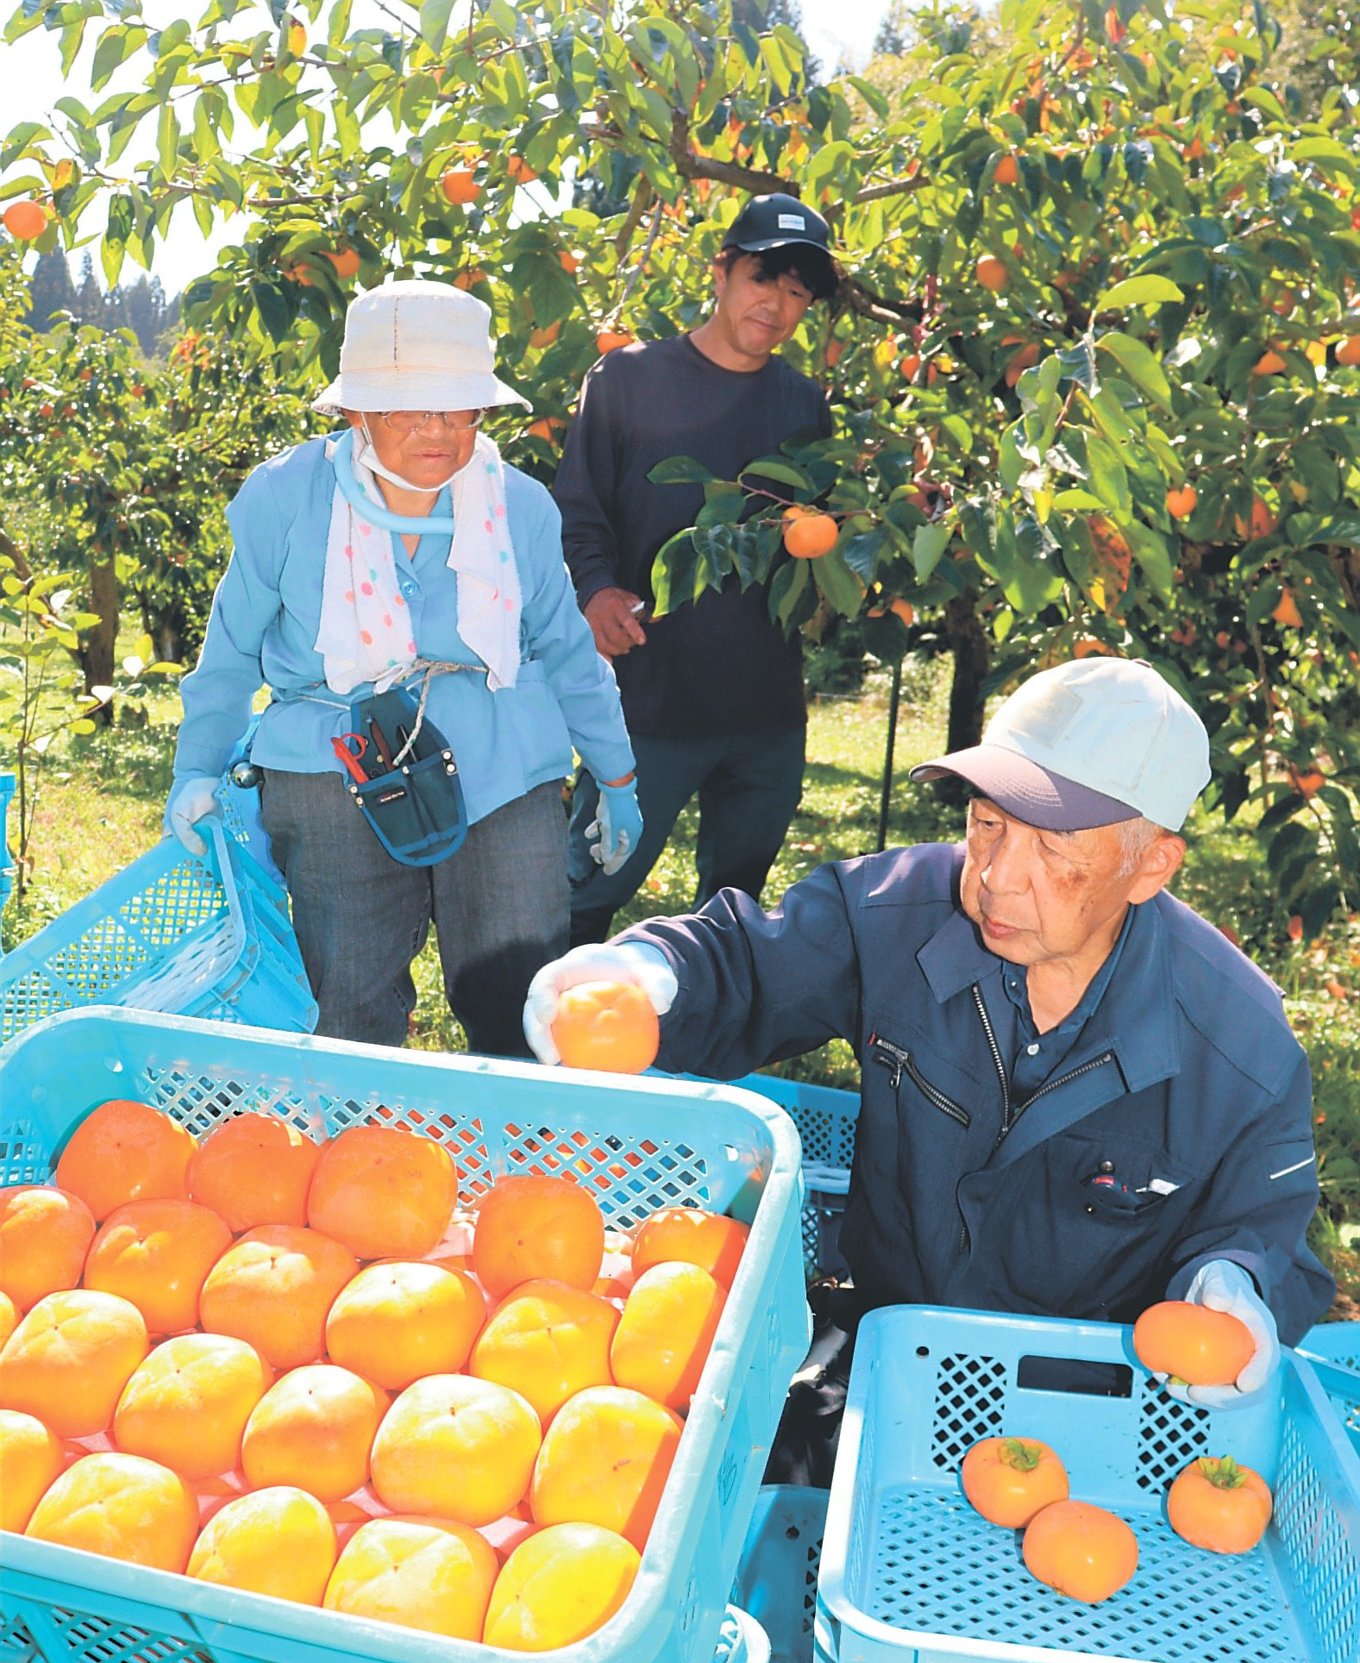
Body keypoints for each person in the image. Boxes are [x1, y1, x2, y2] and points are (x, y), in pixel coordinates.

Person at [523, 656, 1336, 1480]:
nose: (995, 877)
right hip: (883, 1337)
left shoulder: (1240, 1049)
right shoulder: (903, 909)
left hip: (1085, 1407)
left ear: (1151, 866)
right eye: (988, 823)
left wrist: (1238, 1286)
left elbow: (1264, 1233)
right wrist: (643, 974)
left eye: (1052, 849)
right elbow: (748, 961)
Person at [165, 280, 641, 1057]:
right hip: (332, 758)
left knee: (518, 990)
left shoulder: (517, 505)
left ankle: (513, 1161)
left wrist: (617, 778)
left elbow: (565, 646)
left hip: (501, 758)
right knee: (350, 997)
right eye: (410, 408)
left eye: (459, 409)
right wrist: (196, 767)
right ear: (358, 412)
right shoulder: (286, 497)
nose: (439, 431)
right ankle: (365, 1155)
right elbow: (231, 650)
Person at [553, 192, 838, 947]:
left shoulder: (803, 404)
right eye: (762, 279)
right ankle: (535, 1044)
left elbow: (825, 527)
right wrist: (596, 589)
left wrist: (903, 508)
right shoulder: (626, 381)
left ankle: (700, 1043)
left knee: (732, 912)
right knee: (587, 888)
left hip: (765, 707)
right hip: (649, 696)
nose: (776, 305)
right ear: (720, 273)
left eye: (798, 292)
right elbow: (577, 510)